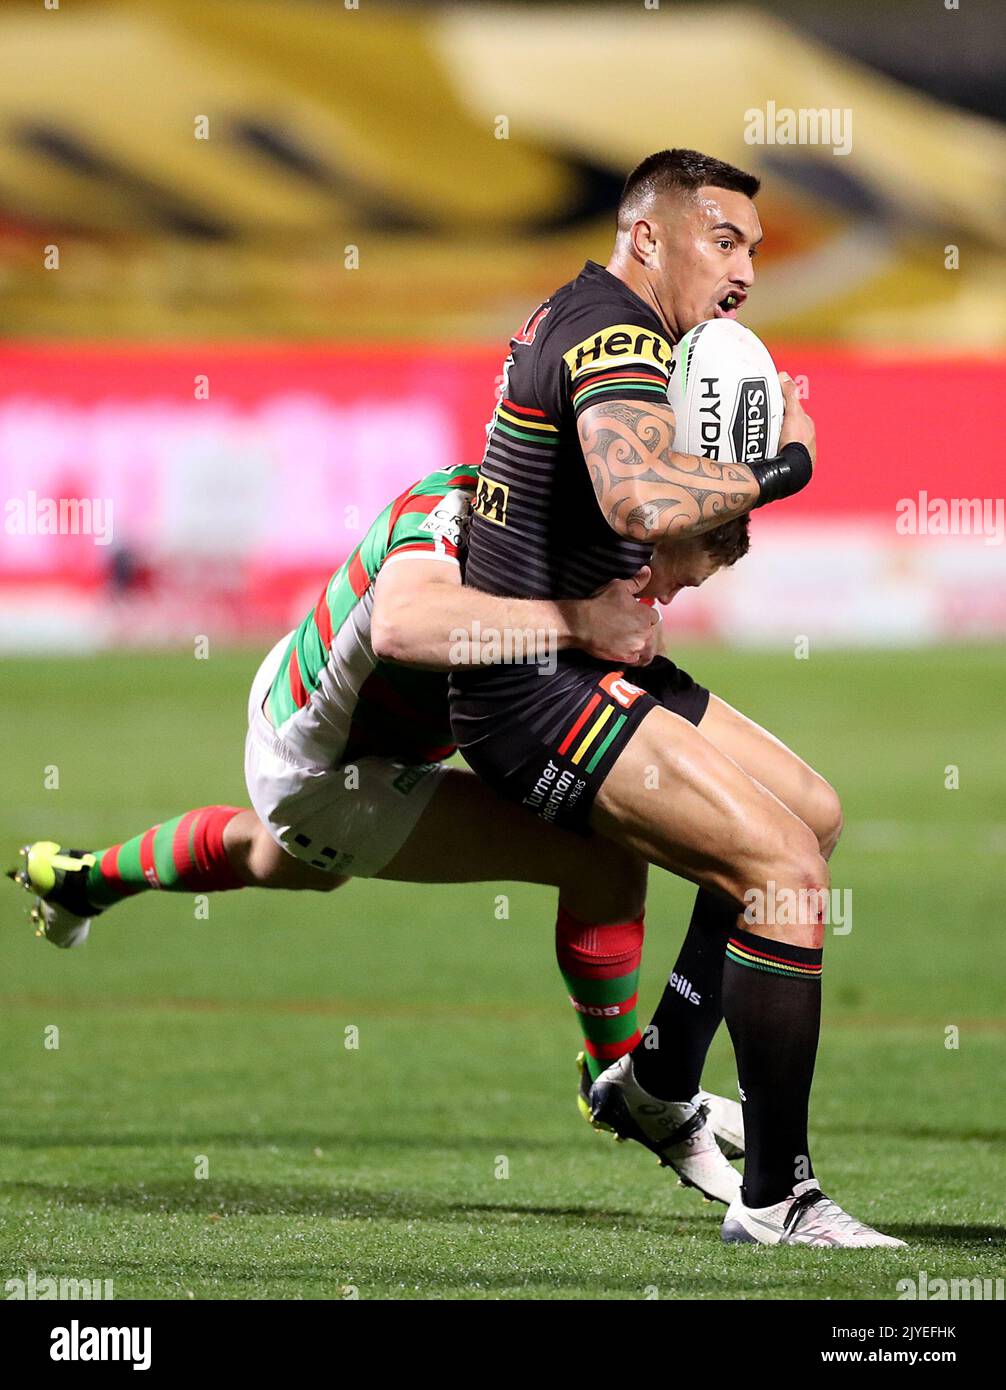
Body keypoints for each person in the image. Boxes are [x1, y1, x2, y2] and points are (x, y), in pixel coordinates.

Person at [9, 466, 751, 1205]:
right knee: (598, 853)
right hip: (327, 772)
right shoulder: (452, 515)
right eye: (669, 581)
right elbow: (405, 625)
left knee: (277, 857)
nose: (657, 601)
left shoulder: (538, 526)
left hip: (306, 712)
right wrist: (582, 626)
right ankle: (618, 1078)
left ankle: (82, 880)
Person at [451, 148, 904, 1247]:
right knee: (781, 873)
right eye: (724, 239)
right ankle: (778, 1197)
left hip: (588, 664)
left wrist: (711, 523)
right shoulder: (612, 334)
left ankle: (655, 1078)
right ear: (646, 236)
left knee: (812, 815)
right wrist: (784, 467)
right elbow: (640, 494)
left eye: (752, 244)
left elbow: (648, 534)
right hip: (537, 691)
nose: (746, 267)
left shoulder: (617, 327)